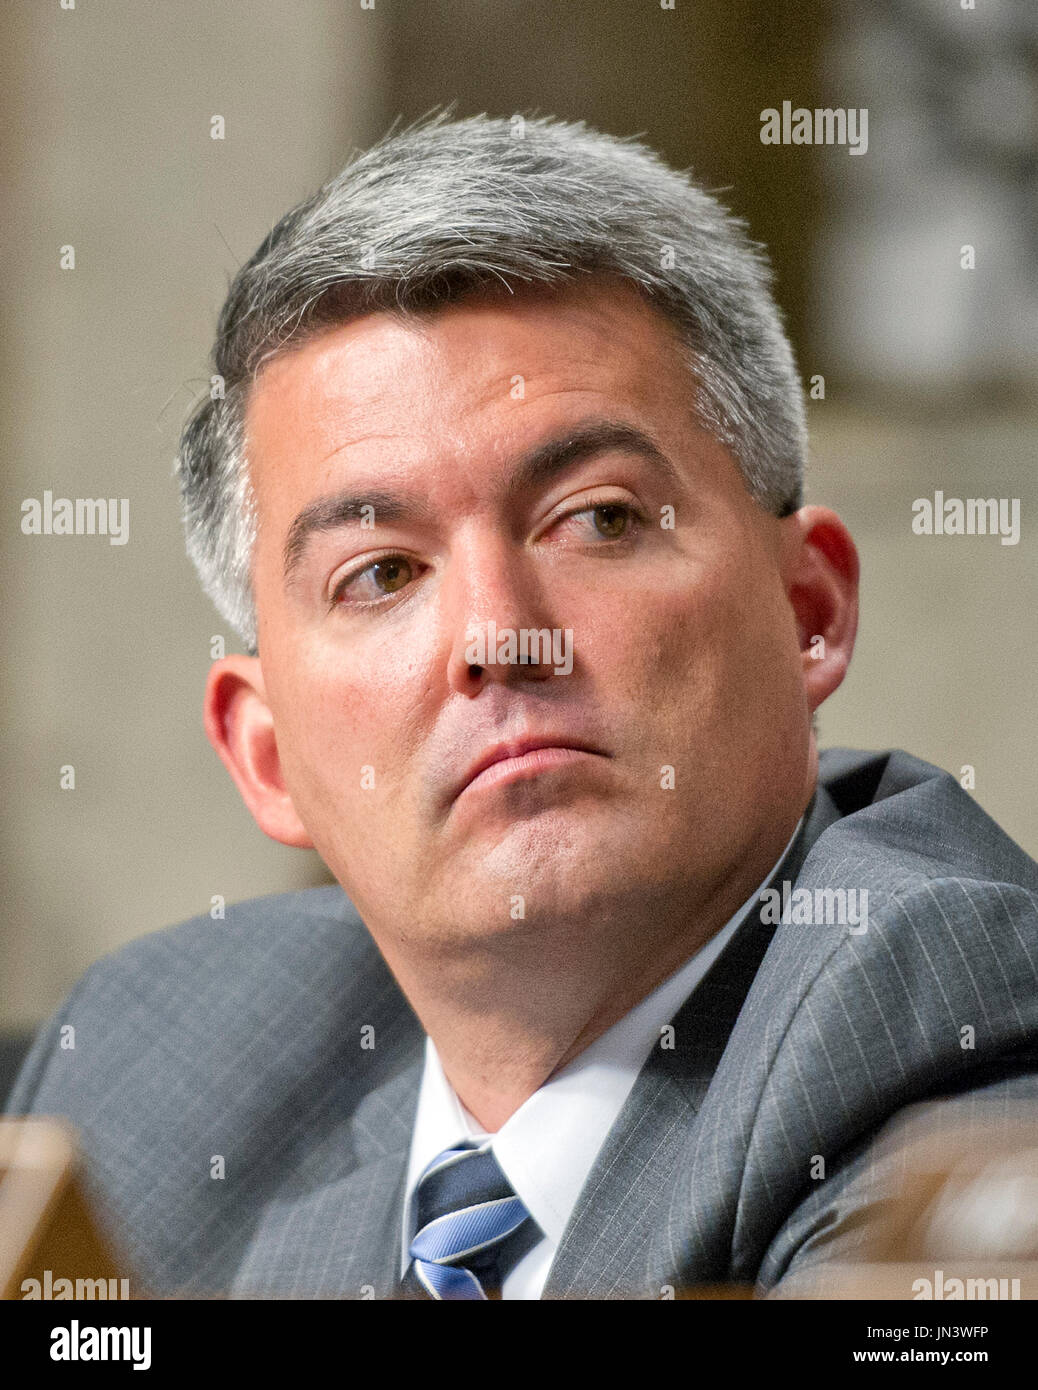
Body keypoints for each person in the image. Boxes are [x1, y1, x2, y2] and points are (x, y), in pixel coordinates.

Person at [8, 112, 1038, 1301]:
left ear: (810, 611)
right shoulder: (161, 1058)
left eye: (598, 517)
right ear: (268, 755)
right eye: (383, 572)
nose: (502, 635)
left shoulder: (941, 1015)